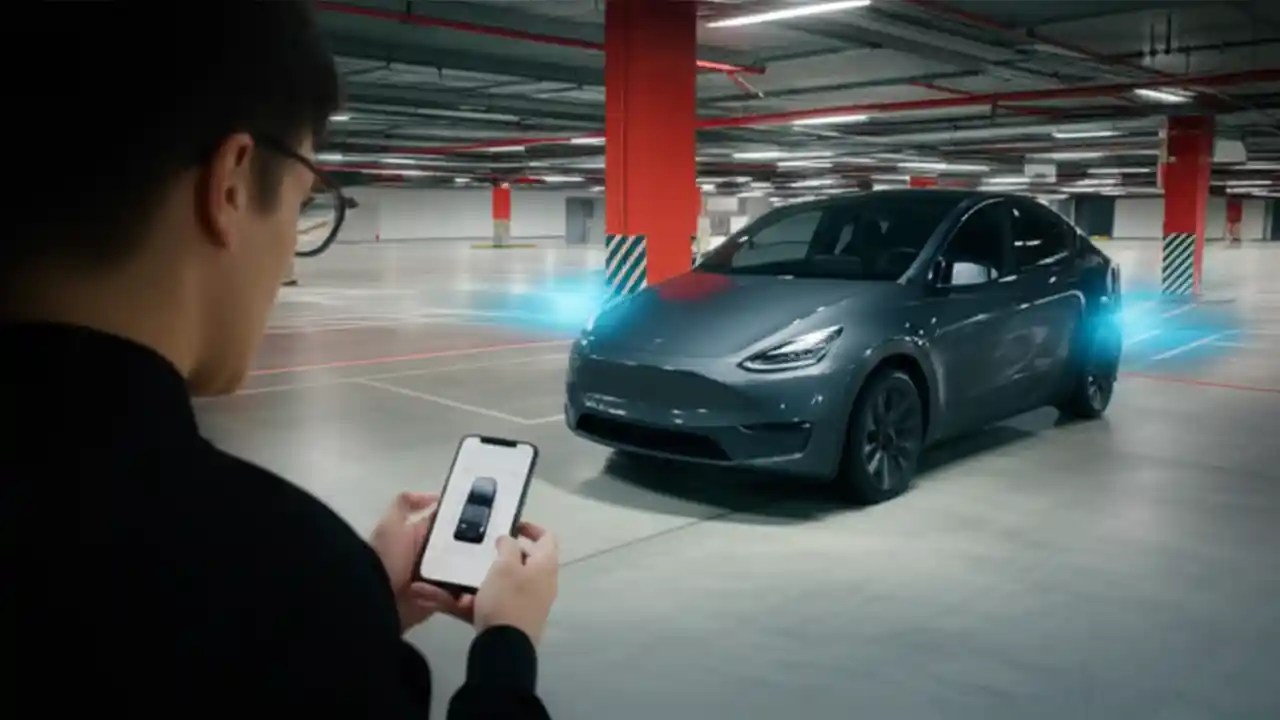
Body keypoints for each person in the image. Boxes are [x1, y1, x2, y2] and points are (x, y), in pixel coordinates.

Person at [0, 2, 558, 717]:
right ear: (229, 186)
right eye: (303, 204)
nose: (291, 248)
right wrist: (504, 647)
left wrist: (364, 607)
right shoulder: (272, 576)